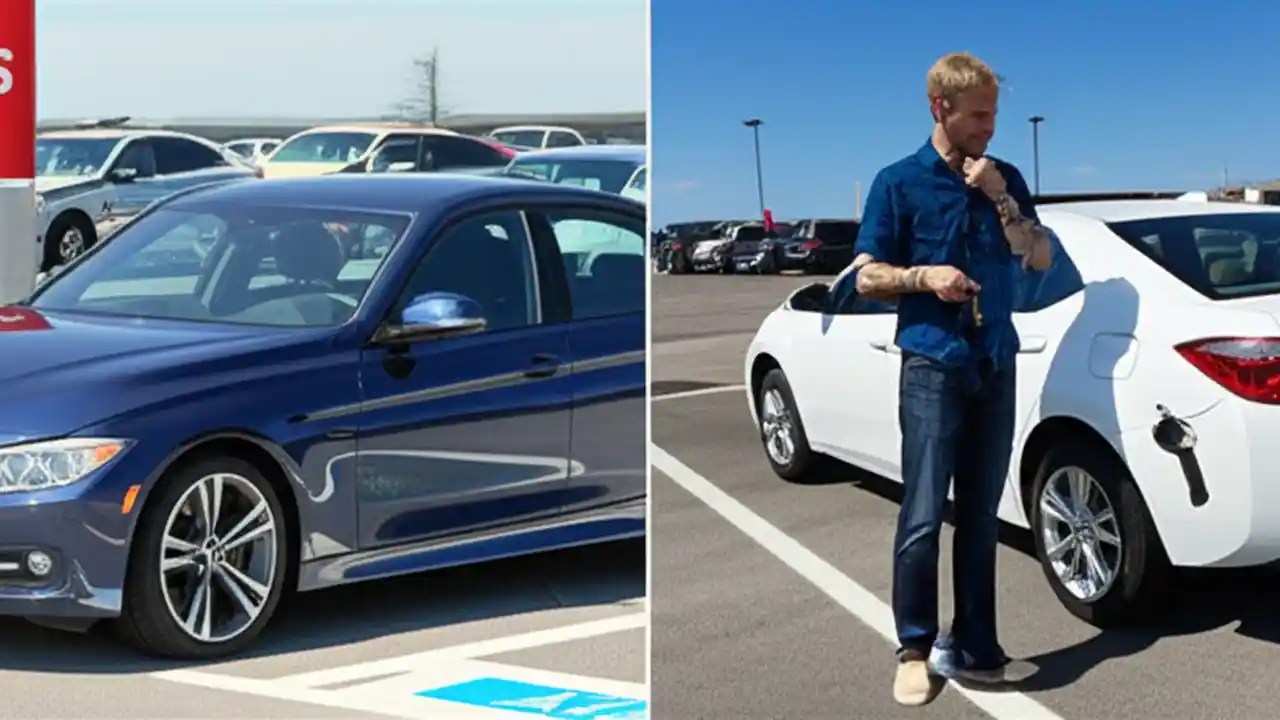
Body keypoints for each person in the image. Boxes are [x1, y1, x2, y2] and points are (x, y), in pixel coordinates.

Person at [847, 51, 1054, 707]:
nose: (991, 127)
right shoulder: (898, 182)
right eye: (979, 115)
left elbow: (1041, 257)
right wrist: (922, 277)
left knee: (983, 518)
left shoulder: (1007, 177)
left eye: (995, 114)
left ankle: (976, 648)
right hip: (933, 362)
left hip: (995, 358)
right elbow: (864, 275)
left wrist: (999, 195)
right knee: (924, 512)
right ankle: (914, 648)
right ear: (940, 108)